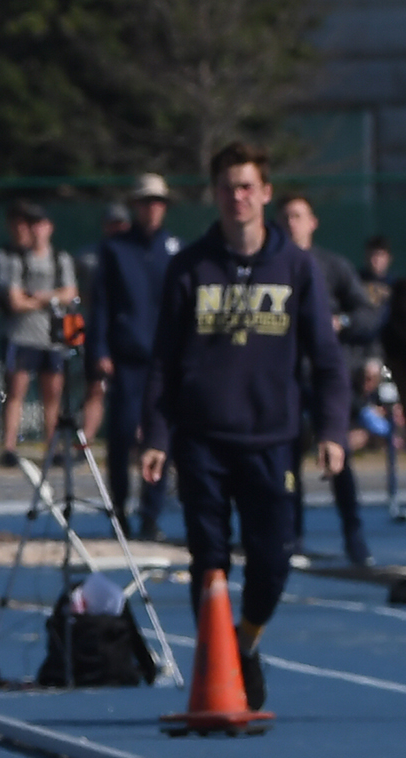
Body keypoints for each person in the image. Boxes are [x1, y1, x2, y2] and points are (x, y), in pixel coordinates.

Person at [140, 141, 349, 712]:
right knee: (208, 559)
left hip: (272, 439)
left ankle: (246, 643)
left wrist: (332, 430)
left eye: (248, 186)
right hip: (202, 439)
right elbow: (162, 360)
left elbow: (326, 359)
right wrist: (156, 437)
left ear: (266, 193)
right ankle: (214, 676)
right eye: (228, 186)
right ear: (215, 194)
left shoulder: (296, 266)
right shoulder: (191, 266)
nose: (238, 196)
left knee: (272, 559)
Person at [278, 193, 379, 565]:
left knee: (338, 458)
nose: (292, 223)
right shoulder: (273, 267)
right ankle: (293, 537)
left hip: (323, 379)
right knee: (286, 461)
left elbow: (366, 314)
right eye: (286, 217)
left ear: (313, 221)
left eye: (299, 216)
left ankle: (354, 538)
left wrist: (342, 324)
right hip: (285, 379)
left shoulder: (332, 267)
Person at [87, 174, 181, 541]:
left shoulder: (175, 249)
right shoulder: (115, 250)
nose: (152, 208)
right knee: (123, 435)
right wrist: (100, 348)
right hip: (128, 358)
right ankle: (120, 510)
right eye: (146, 201)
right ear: (136, 206)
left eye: (158, 202)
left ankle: (151, 513)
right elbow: (102, 305)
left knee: (160, 437)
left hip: (165, 359)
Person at [0, 200, 78, 466]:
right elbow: (16, 301)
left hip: (51, 336)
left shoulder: (59, 258)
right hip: (21, 334)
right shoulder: (15, 258)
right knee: (16, 390)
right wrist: (49, 299)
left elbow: (69, 293)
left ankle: (52, 445)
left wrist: (40, 298)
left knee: (52, 392)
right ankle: (9, 446)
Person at [75, 201, 132, 445]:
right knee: (96, 387)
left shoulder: (135, 256)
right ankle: (86, 437)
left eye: (120, 224)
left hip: (128, 330)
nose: (116, 229)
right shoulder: (89, 258)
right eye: (112, 224)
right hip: (98, 328)